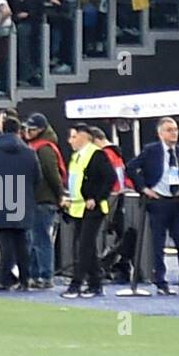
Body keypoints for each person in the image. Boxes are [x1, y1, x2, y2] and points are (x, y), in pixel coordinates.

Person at [125, 116, 179, 295]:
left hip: (177, 202)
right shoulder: (151, 150)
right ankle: (161, 281)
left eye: (176, 130)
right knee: (158, 243)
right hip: (159, 202)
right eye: (170, 130)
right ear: (160, 133)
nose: (174, 133)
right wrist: (144, 188)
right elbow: (131, 167)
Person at [0, 114, 38, 291]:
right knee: (22, 243)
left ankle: (4, 279)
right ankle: (25, 279)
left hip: (0, 199)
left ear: (2, 129)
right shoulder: (29, 152)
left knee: (5, 243)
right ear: (19, 131)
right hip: (22, 199)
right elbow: (37, 177)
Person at [60, 124, 116, 299]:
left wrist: (96, 198)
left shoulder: (97, 155)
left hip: (93, 208)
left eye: (73, 136)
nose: (70, 141)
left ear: (84, 137)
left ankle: (75, 284)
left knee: (83, 246)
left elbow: (109, 178)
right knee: (87, 247)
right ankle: (95, 283)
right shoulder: (76, 156)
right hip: (78, 208)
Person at [23, 114, 65, 290]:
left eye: (31, 129)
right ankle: (37, 274)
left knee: (40, 239)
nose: (27, 132)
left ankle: (45, 275)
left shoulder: (44, 149)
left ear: (40, 130)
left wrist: (60, 195)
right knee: (36, 239)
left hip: (43, 199)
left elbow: (52, 174)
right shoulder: (41, 146)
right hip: (39, 199)